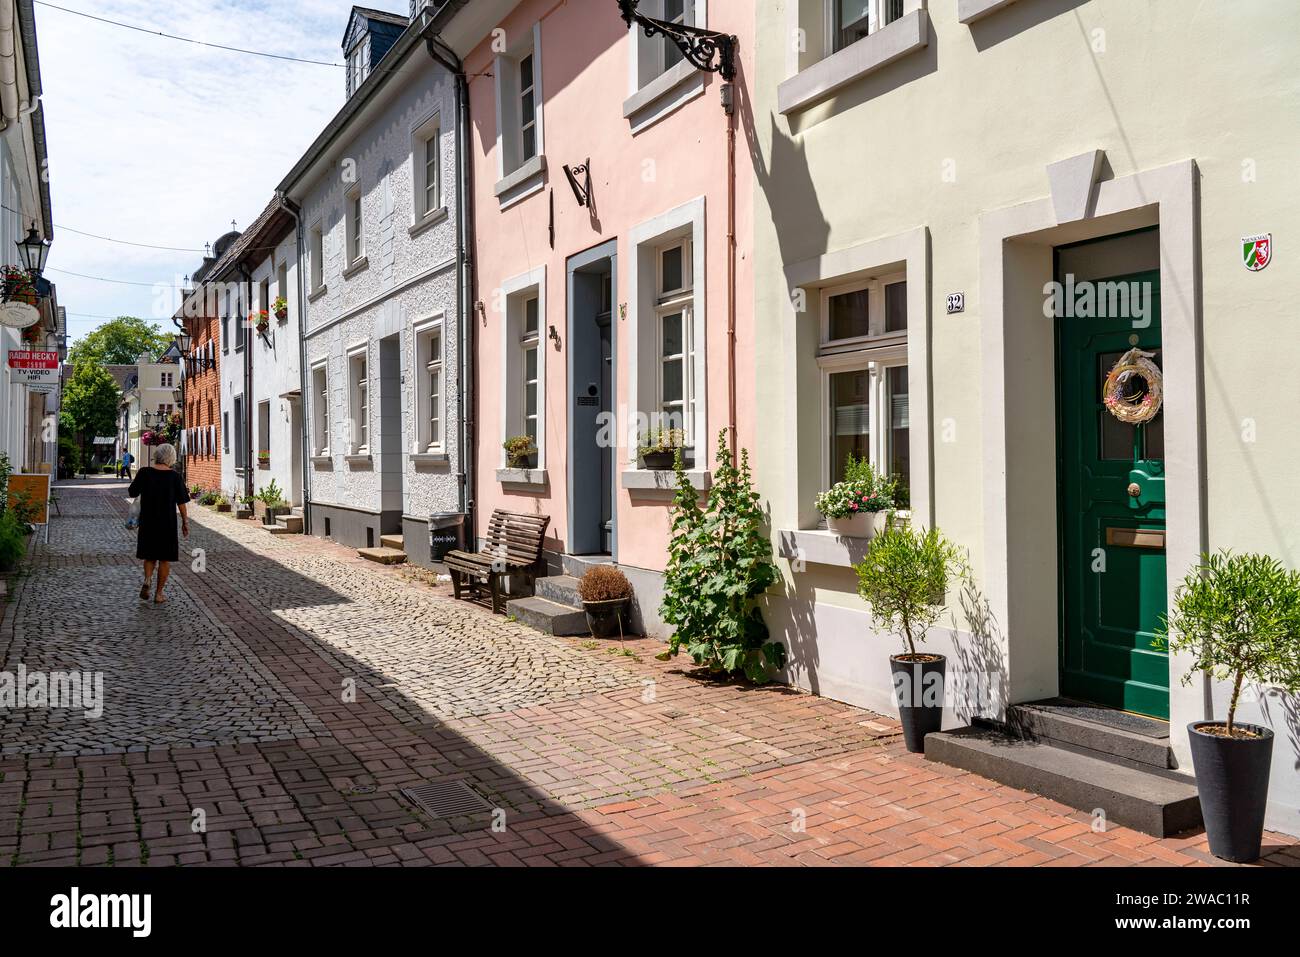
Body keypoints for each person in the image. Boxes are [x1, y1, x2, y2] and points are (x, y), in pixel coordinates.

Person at [127, 443, 190, 605]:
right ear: (171, 458)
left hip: (148, 521)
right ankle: (159, 593)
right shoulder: (175, 477)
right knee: (164, 559)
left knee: (149, 555)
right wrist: (185, 521)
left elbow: (132, 492)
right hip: (167, 523)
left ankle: (147, 580)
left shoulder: (144, 472)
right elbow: (181, 503)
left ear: (157, 455)